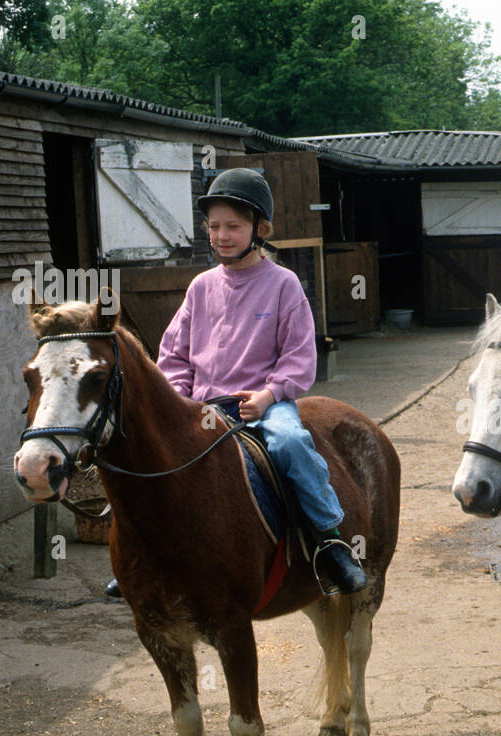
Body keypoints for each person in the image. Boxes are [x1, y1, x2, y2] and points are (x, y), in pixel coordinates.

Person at [108, 167, 366, 599]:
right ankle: (143, 553)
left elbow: (300, 357)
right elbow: (174, 355)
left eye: (234, 226)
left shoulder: (284, 285)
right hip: (204, 406)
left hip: (263, 404)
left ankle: (329, 540)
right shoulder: (201, 287)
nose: (222, 235)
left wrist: (269, 395)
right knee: (150, 453)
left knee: (289, 444)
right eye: (214, 227)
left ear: (259, 229)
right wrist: (179, 402)